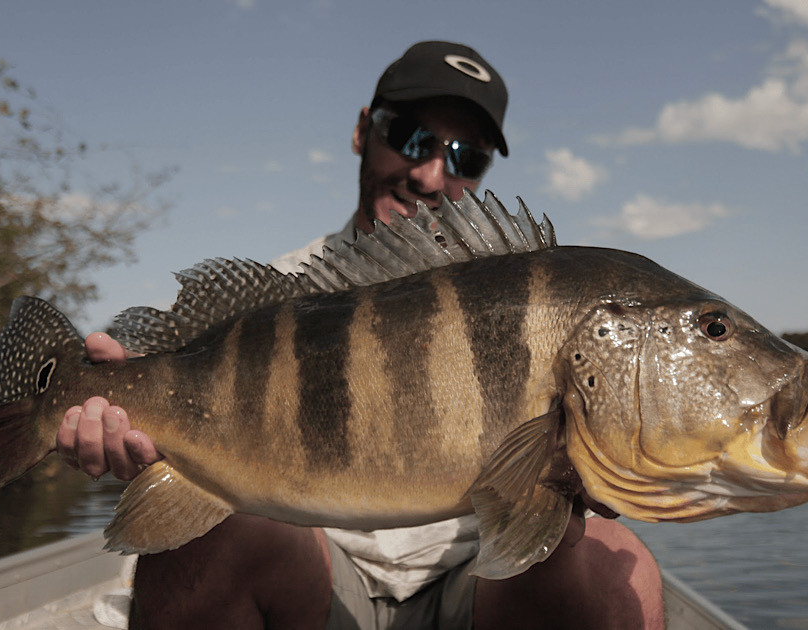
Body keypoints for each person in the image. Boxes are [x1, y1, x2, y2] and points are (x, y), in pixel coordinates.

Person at [58, 41, 665, 630]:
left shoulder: (533, 301)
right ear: (361, 131)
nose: (430, 174)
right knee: (206, 542)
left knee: (623, 568)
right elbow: (159, 373)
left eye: (465, 157)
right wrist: (118, 412)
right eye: (410, 137)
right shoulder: (279, 301)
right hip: (312, 580)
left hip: (479, 586)